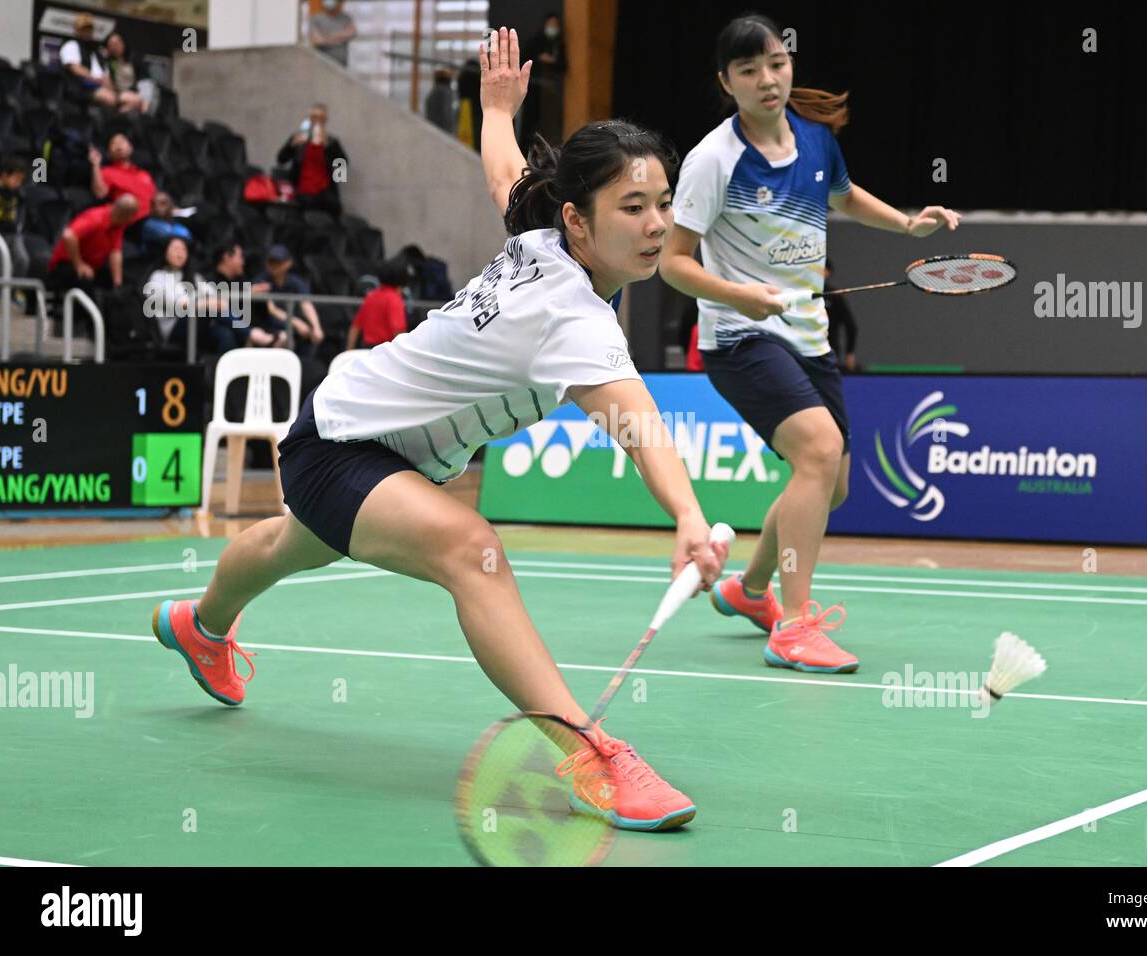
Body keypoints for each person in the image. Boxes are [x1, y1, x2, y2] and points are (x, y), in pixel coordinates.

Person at [150, 27, 727, 833]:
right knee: (472, 551)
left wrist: (496, 110)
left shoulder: (542, 232)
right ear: (581, 221)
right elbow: (635, 418)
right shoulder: (572, 312)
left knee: (292, 543)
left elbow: (504, 173)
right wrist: (690, 515)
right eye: (633, 207)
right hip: (342, 446)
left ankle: (198, 623)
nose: (658, 224)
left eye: (664, 203)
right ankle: (589, 752)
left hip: (365, 433)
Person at [659, 13, 959, 672]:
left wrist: (907, 226)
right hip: (741, 337)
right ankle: (793, 626)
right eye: (748, 70)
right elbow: (673, 262)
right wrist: (739, 295)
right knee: (819, 452)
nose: (767, 79)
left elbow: (845, 199)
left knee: (834, 485)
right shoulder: (714, 160)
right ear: (726, 82)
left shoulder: (816, 142)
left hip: (808, 335)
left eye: (775, 63)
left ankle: (750, 590)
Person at [47, 194, 140, 309]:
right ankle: (93, 322)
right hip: (66, 264)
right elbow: (69, 236)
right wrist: (79, 264)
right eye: (132, 217)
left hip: (93, 266)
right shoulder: (96, 218)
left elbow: (115, 253)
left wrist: (118, 284)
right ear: (126, 215)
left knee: (127, 284)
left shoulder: (118, 224)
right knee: (86, 282)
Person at [252, 244, 324, 359]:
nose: (273, 266)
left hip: (294, 327)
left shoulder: (295, 282)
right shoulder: (262, 282)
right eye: (271, 262)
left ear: (287, 263)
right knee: (284, 337)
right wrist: (297, 323)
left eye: (278, 262)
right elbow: (272, 310)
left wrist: (316, 327)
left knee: (310, 336)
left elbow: (306, 304)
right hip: (270, 326)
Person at [276, 104, 347, 216]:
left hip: (325, 192)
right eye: (313, 117)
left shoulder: (332, 142)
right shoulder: (299, 139)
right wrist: (291, 145)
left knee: (334, 208)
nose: (316, 121)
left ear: (325, 120)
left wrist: (328, 147)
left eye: (320, 118)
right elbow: (281, 160)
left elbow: (341, 174)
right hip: (302, 190)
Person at [519, 13, 566, 151]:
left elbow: (563, 66)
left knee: (549, 127)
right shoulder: (535, 42)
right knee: (529, 125)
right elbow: (524, 61)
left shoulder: (558, 44)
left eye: (555, 25)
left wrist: (552, 62)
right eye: (550, 24)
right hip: (533, 92)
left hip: (550, 95)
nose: (552, 28)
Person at [143, 235, 199, 349]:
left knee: (223, 333)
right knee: (206, 314)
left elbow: (217, 298)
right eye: (175, 249)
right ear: (165, 252)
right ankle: (245, 333)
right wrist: (202, 305)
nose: (180, 253)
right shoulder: (157, 277)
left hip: (197, 323)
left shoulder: (194, 277)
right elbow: (176, 305)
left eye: (183, 249)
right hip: (171, 328)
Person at [89, 133, 157, 218]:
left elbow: (155, 199)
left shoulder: (144, 174)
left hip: (154, 217)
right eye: (114, 144)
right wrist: (96, 165)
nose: (119, 146)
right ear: (109, 153)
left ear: (131, 148)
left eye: (122, 142)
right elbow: (99, 194)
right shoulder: (107, 172)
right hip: (132, 220)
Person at [346, 258, 408, 349]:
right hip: (386, 351)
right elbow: (398, 330)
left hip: (367, 349)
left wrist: (349, 350)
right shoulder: (394, 299)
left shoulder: (371, 296)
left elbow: (355, 327)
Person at [0, 156, 30, 280]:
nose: (18, 183)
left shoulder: (18, 194)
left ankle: (12, 292)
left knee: (22, 260)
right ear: (4, 174)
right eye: (16, 179)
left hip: (13, 234)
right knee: (0, 267)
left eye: (21, 180)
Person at [101, 32, 150, 114]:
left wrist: (134, 91)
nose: (116, 47)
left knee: (147, 86)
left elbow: (143, 78)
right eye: (112, 45)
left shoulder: (134, 58)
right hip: (118, 94)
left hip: (136, 91)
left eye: (117, 43)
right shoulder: (109, 63)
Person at [823, 259, 858, 372]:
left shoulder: (835, 296)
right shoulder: (803, 294)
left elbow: (851, 326)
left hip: (829, 352)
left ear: (827, 272)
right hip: (800, 351)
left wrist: (849, 353)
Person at [310, 0, 357, 68]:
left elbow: (352, 33)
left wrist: (327, 36)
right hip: (322, 64)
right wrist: (340, 39)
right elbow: (318, 41)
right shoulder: (316, 18)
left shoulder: (345, 17)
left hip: (342, 63)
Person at [424, 68, 458, 135]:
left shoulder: (434, 92)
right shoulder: (445, 93)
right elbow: (447, 115)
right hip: (443, 131)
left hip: (433, 130)